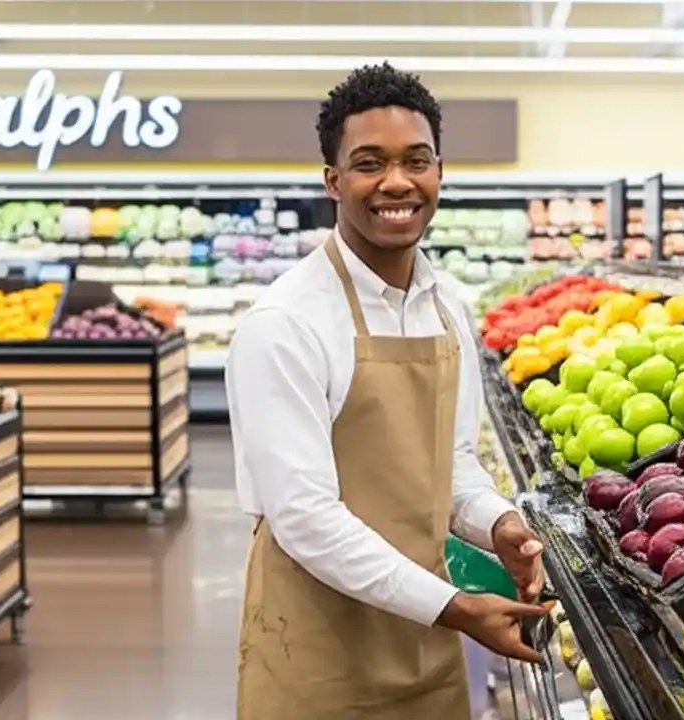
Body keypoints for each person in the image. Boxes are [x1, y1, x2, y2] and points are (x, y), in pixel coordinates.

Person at [226, 62, 549, 720]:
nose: (396, 183)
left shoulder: (448, 307)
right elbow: (305, 520)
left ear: (439, 172)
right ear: (333, 180)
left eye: (416, 160)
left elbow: (449, 462)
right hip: (316, 643)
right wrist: (457, 608)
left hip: (424, 634)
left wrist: (500, 524)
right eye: (370, 163)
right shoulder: (285, 324)